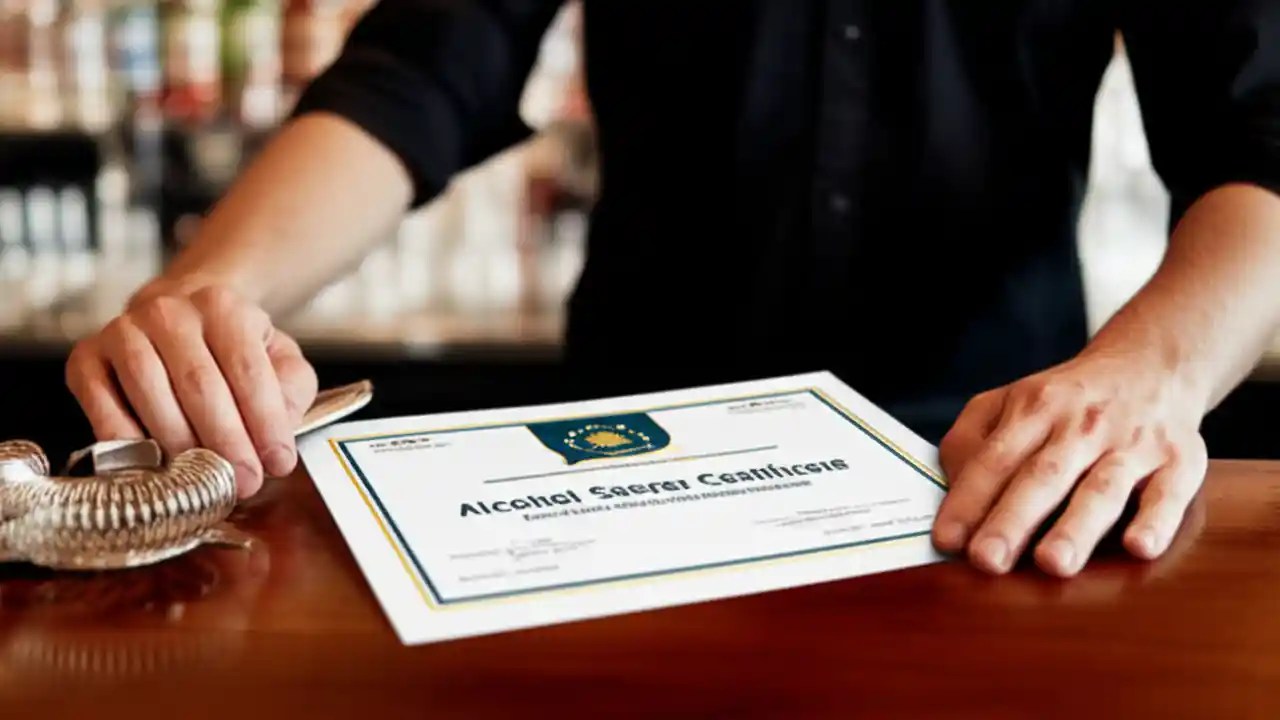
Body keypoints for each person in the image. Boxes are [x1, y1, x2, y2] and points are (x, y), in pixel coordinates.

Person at [65, 2, 1280, 578]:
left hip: (978, 475)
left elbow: (1259, 145)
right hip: (621, 479)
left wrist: (1150, 376)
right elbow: (420, 75)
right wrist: (209, 285)